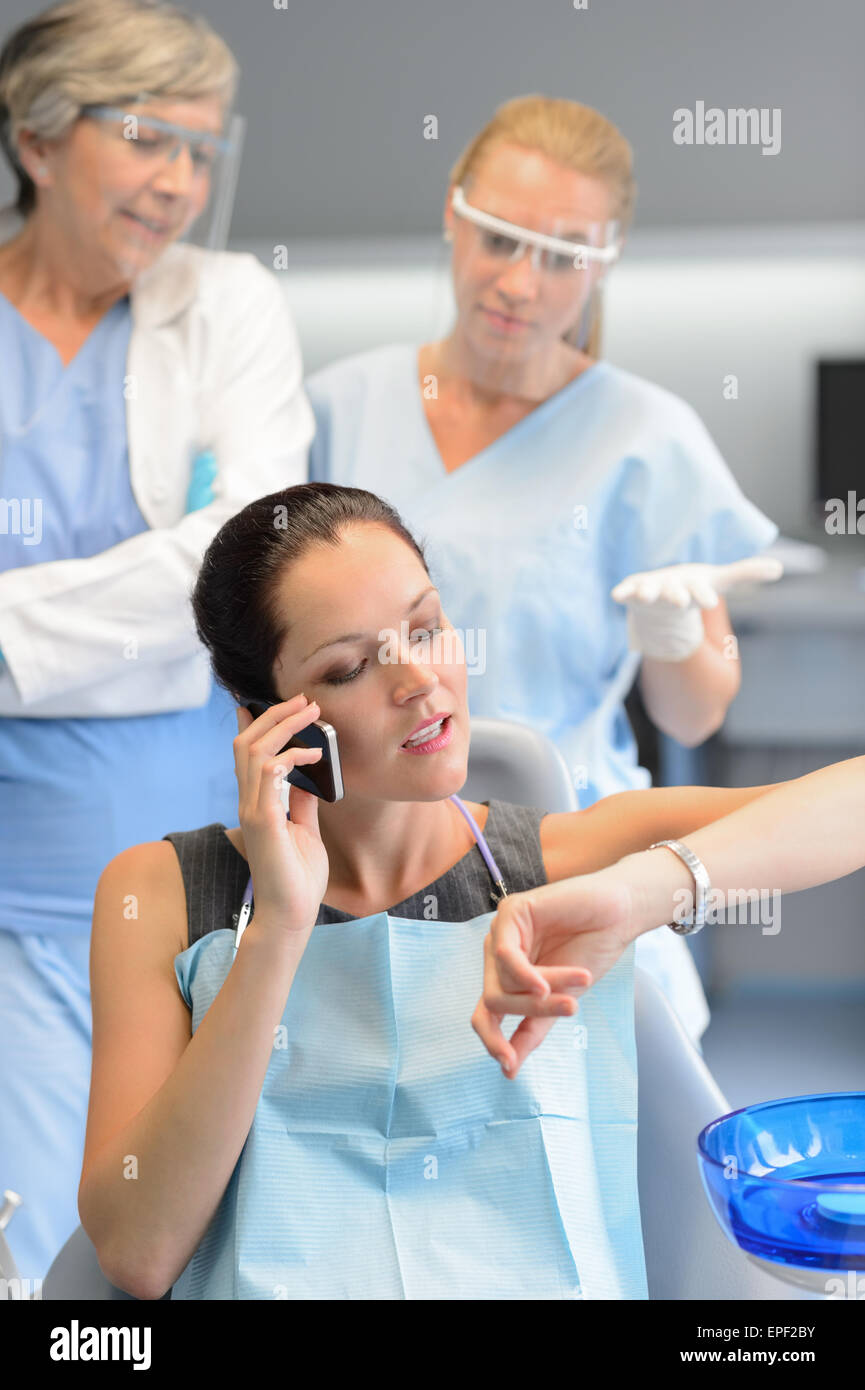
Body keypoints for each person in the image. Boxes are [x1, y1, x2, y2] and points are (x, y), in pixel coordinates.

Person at [80, 482, 804, 1301]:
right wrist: (280, 925)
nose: (419, 680)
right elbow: (138, 1254)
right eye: (351, 667)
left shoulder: (568, 858)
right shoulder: (163, 895)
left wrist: (645, 888)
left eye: (425, 628)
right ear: (270, 723)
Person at [303, 94, 782, 1048]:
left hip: (568, 855)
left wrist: (675, 642)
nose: (520, 282)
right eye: (499, 241)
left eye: (561, 257)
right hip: (363, 859)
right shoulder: (337, 407)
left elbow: (696, 715)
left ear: (601, 265)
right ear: (453, 213)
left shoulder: (647, 438)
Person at [0, 0, 313, 1283]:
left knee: (164, 1223)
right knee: (32, 1244)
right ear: (36, 139)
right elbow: (168, 585)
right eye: (147, 141)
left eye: (201, 152)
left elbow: (237, 559)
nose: (180, 184)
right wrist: (123, 617)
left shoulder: (225, 305)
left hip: (166, 869)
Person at [474, 752, 865, 1078]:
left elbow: (850, 805)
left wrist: (635, 894)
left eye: (426, 651)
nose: (421, 680)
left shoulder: (528, 847)